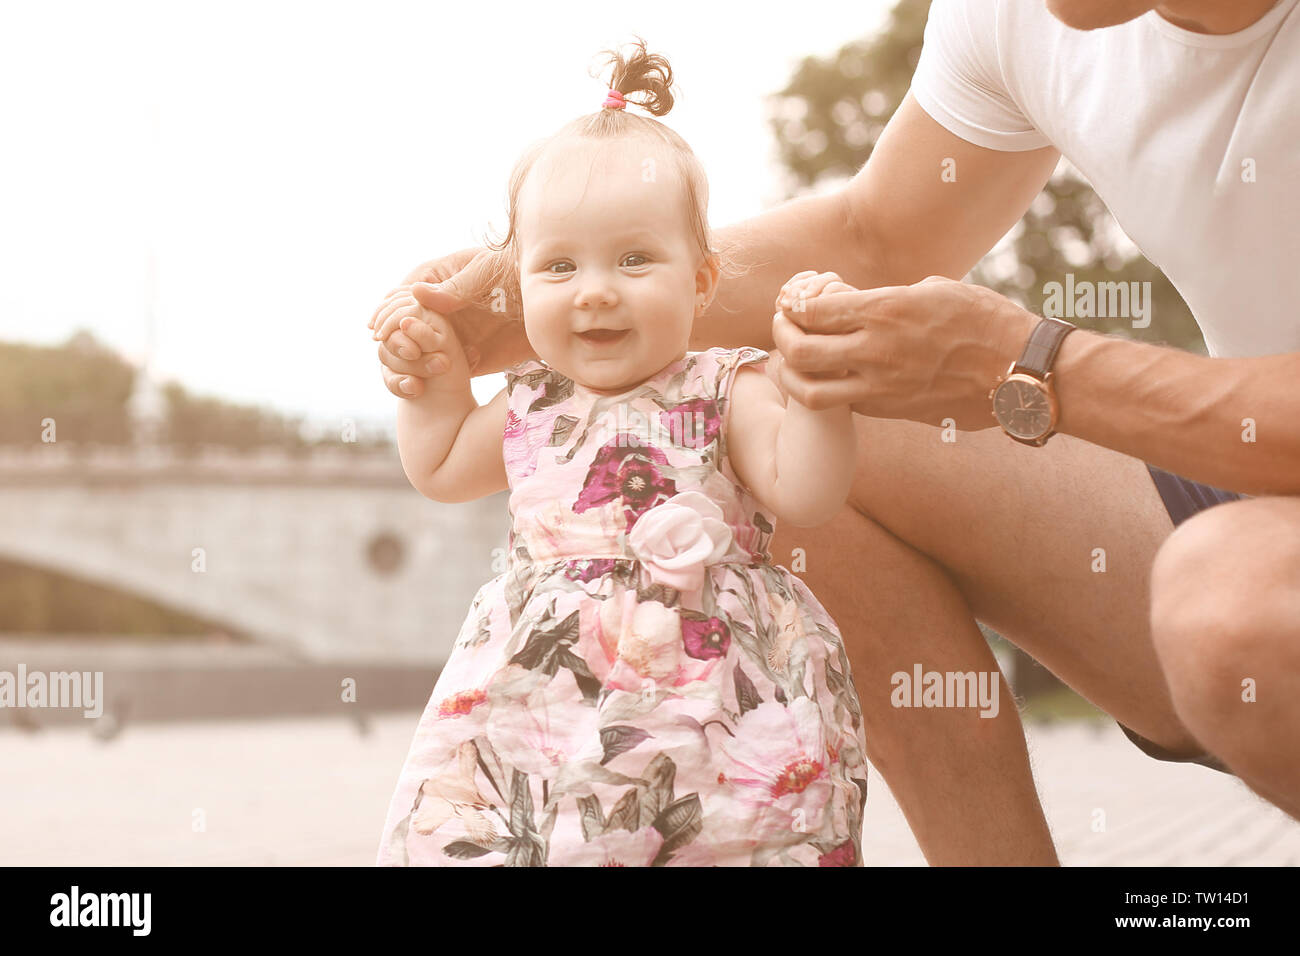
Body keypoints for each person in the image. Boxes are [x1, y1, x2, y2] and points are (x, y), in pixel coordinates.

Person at [372, 0, 1300, 865]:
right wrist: (570, 304)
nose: (588, 285)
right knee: (804, 416)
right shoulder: (1015, 15)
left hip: (1259, 553)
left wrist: (1033, 366)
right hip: (1234, 485)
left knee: (1240, 609)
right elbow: (874, 236)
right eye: (557, 266)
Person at [375, 42, 871, 867]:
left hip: (713, 716)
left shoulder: (725, 387)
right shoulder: (531, 402)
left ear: (704, 281)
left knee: (722, 845)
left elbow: (807, 490)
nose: (595, 289)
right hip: (541, 708)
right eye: (559, 266)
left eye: (635, 259)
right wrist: (430, 380)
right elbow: (439, 466)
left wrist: (822, 391)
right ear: (520, 287)